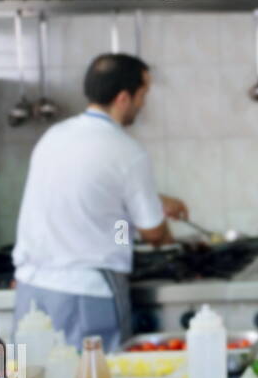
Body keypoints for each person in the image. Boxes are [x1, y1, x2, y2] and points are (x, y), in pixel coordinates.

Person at [12, 53, 188, 352]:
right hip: (86, 294)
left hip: (31, 291)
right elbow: (153, 233)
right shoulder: (127, 151)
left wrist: (155, 201)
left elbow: (88, 189)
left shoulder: (54, 136)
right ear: (123, 98)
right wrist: (164, 233)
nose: (144, 104)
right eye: (143, 95)